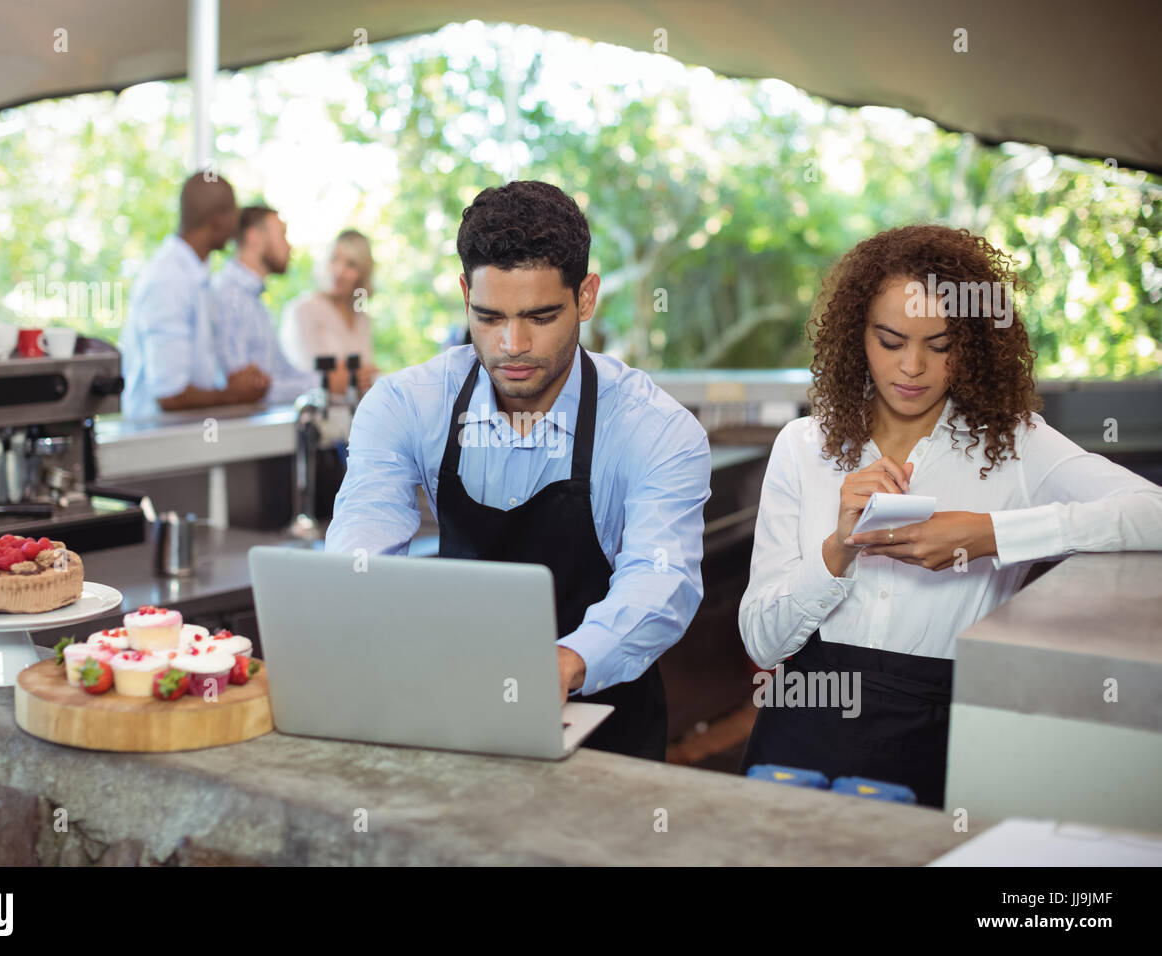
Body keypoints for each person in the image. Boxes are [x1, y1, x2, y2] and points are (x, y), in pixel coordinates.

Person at [738, 224, 1162, 807]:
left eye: (940, 346)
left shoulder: (1017, 447)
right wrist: (837, 550)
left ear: (976, 343)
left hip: (939, 733)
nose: (913, 366)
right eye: (890, 341)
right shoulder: (803, 446)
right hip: (799, 725)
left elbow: (1154, 513)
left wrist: (990, 534)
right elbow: (762, 644)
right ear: (855, 334)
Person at [324, 181, 712, 761]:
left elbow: (661, 582)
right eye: (489, 316)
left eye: (540, 316)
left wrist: (564, 662)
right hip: (452, 716)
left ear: (585, 297)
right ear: (464, 296)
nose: (512, 344)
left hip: (605, 731)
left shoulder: (655, 428)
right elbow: (362, 553)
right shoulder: (406, 405)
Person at [119, 171, 270, 417]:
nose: (235, 227)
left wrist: (238, 380)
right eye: (234, 214)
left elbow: (196, 374)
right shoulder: (169, 280)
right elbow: (171, 395)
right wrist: (235, 395)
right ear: (218, 220)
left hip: (183, 444)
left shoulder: (196, 277)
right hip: (156, 448)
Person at [212, 205, 320, 403]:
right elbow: (248, 391)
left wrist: (330, 382)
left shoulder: (255, 300)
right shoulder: (230, 297)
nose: (289, 247)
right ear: (254, 237)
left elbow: (282, 372)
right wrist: (325, 385)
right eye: (282, 235)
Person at [279, 229, 380, 395]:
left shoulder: (362, 318)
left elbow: (369, 373)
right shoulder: (302, 310)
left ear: (363, 273)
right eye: (335, 259)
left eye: (352, 264)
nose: (339, 272)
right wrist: (351, 376)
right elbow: (297, 376)